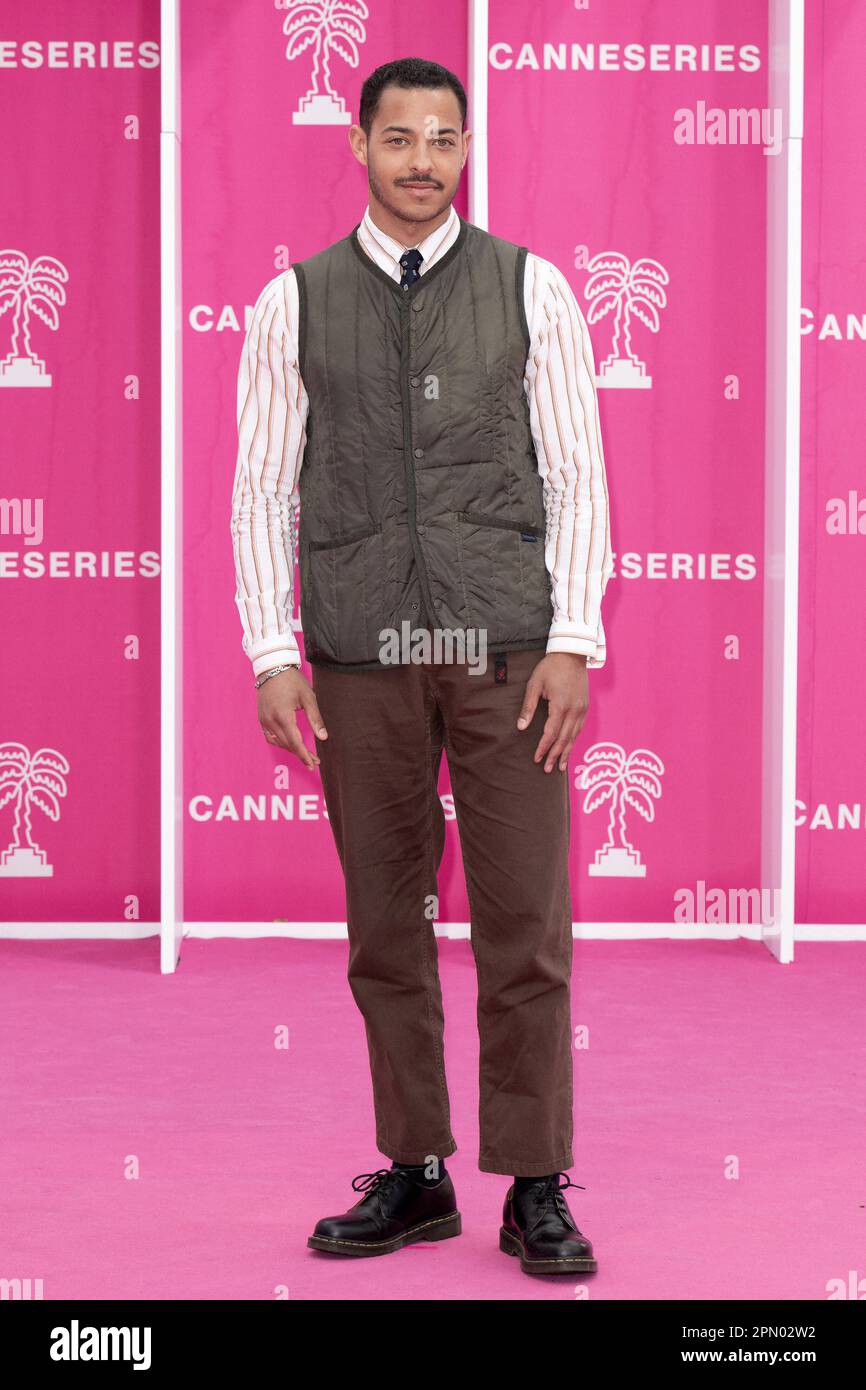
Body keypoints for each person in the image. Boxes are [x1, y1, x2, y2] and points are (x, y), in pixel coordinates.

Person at [231, 57, 612, 1276]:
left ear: (465, 148)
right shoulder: (292, 302)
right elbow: (257, 487)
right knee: (385, 927)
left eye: (443, 139)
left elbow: (574, 476)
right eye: (398, 138)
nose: (421, 161)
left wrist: (571, 639)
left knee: (522, 925)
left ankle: (535, 1184)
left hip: (503, 648)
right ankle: (415, 1172)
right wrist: (270, 648)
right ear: (357, 145)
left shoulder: (531, 289)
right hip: (358, 654)